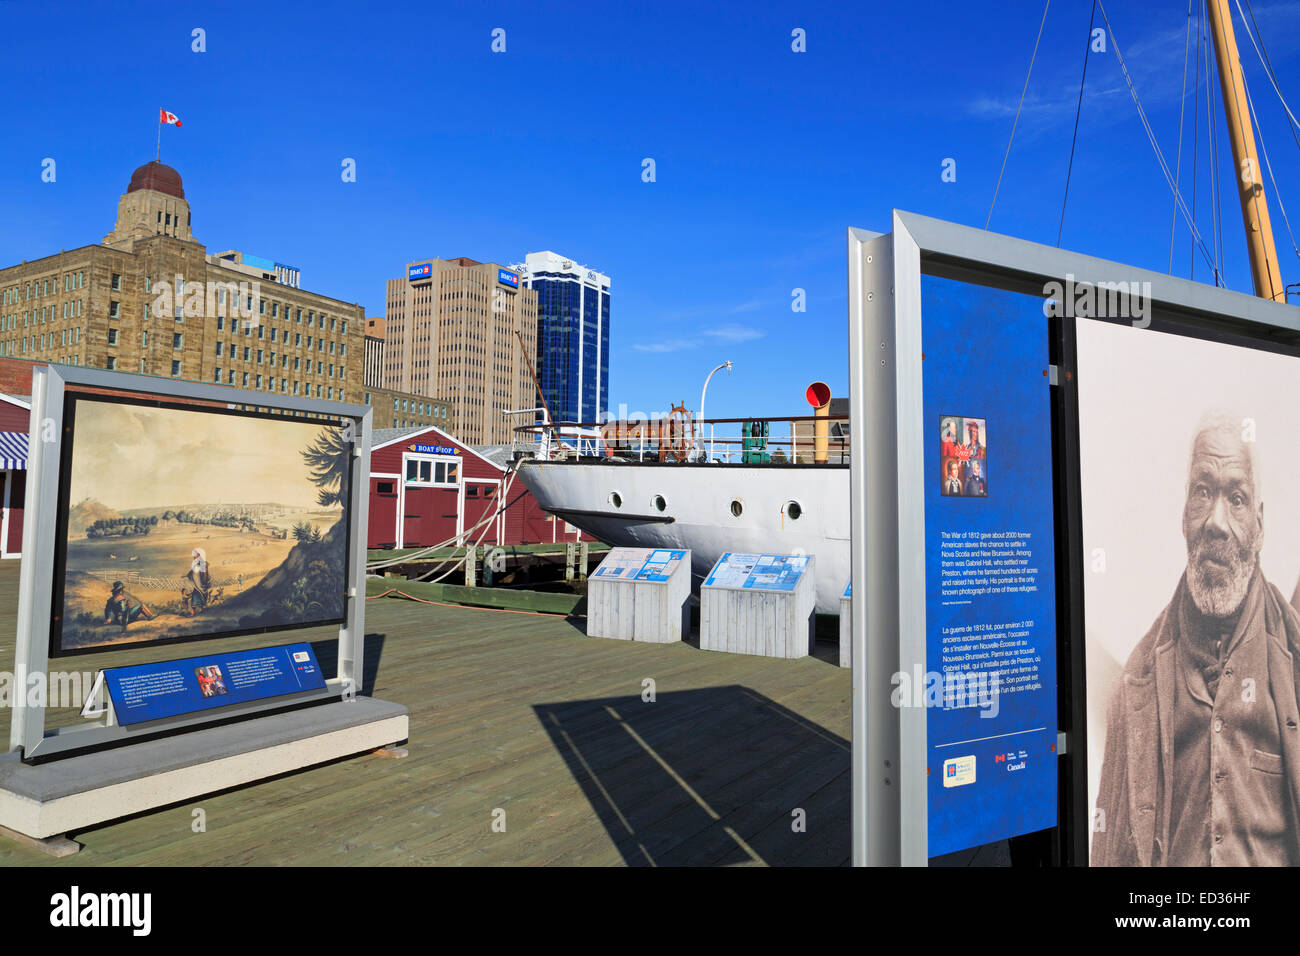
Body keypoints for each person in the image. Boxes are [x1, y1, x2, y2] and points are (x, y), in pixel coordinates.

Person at [1093, 413, 1300, 866]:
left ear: (1260, 525)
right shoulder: (1138, 686)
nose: (1217, 522)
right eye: (1202, 493)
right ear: (1184, 515)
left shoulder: (1293, 662)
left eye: (1238, 498)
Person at [186, 548, 210, 616]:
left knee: (200, 596)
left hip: (200, 583)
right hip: (195, 584)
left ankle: (201, 610)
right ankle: (193, 612)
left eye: (196, 555)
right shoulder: (195, 563)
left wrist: (204, 581)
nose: (194, 556)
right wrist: (188, 575)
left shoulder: (203, 563)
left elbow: (205, 573)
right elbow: (192, 572)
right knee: (194, 596)